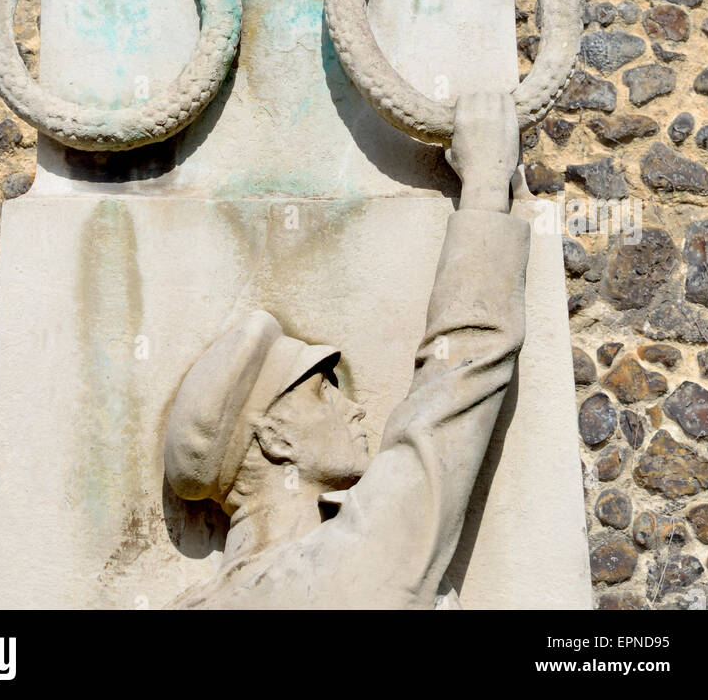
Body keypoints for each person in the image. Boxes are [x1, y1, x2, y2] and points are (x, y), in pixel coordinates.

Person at [163, 92, 529, 610]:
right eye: (323, 390)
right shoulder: (338, 567)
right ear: (274, 438)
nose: (354, 408)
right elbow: (458, 385)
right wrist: (487, 189)